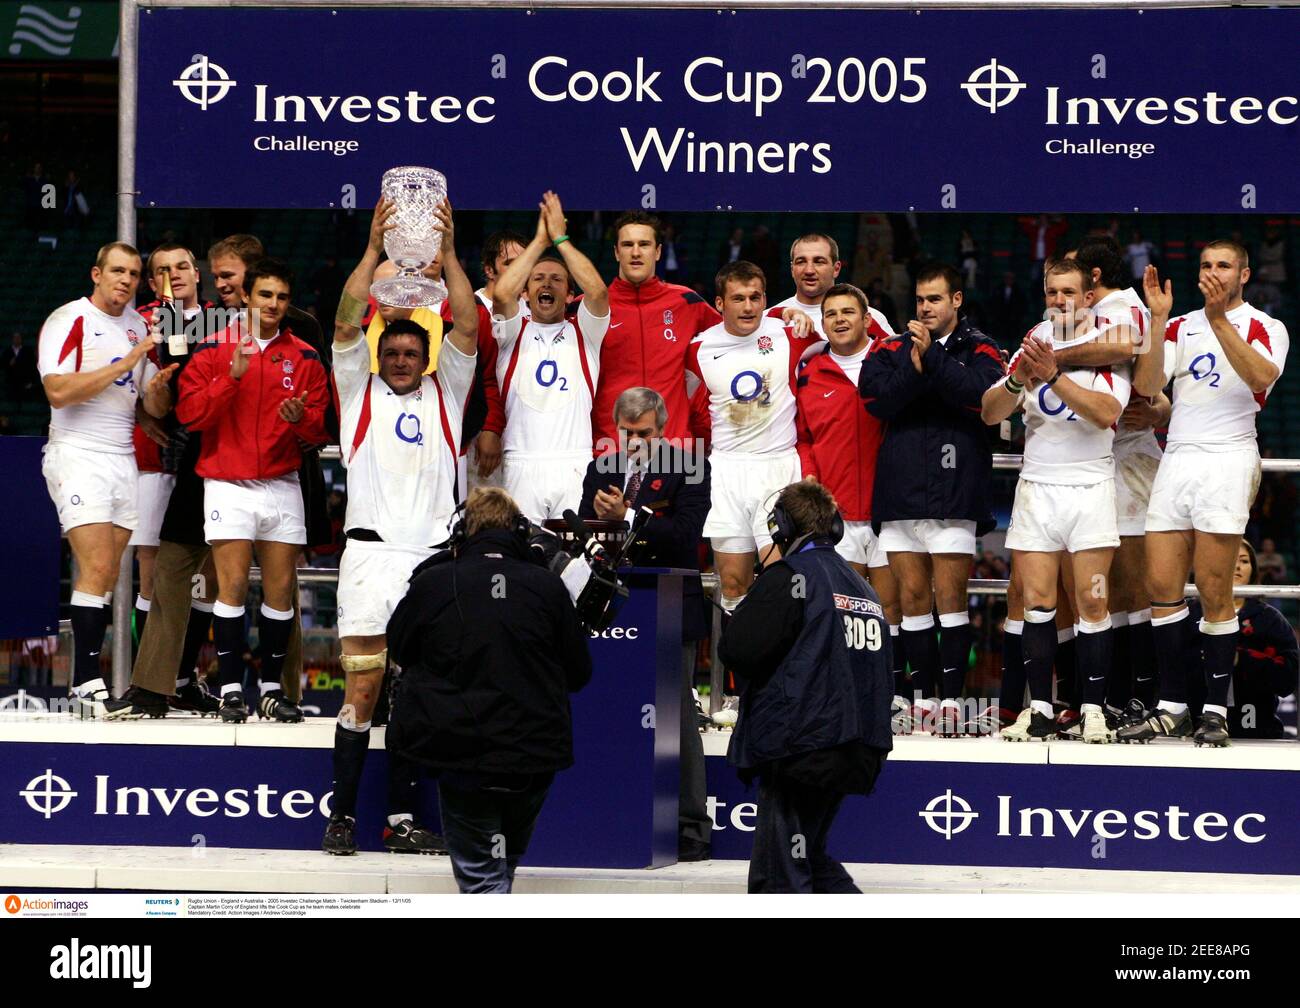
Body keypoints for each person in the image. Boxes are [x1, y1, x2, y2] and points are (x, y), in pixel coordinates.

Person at [321, 198, 479, 856]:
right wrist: (368, 251)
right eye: (395, 350)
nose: (405, 359)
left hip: (433, 563)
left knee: (421, 697)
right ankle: (346, 818)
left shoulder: (448, 394)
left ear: (428, 357)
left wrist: (446, 255)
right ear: (380, 355)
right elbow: (342, 320)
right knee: (362, 686)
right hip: (369, 558)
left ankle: (401, 822)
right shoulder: (357, 392)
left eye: (416, 351)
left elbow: (467, 322)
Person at [386, 487, 593, 893]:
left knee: (483, 878)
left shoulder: (432, 581)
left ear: (461, 532)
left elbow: (401, 650)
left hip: (461, 755)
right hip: (534, 755)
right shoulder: (548, 588)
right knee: (501, 869)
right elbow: (579, 673)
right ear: (520, 531)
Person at [1122, 244, 1289, 747]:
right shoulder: (1180, 325)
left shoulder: (1266, 326)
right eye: (1205, 266)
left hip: (1228, 457)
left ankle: (1214, 710)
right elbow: (1149, 386)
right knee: (1162, 588)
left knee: (1216, 590)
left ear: (1244, 272)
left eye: (1222, 266)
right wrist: (1156, 321)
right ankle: (1173, 706)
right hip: (1177, 458)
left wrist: (1219, 320)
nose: (1212, 274)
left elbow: (1263, 379)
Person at [981, 258, 1133, 743]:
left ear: (1088, 296)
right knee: (1037, 603)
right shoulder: (1034, 339)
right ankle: (1041, 708)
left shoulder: (1104, 347)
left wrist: (1052, 375)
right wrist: (1016, 380)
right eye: (1052, 292)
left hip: (1089, 487)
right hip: (1037, 489)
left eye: (1069, 292)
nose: (1060, 301)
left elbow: (1106, 412)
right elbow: (990, 414)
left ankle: (1092, 709)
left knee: (1092, 601)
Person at [176, 257, 331, 724]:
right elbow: (189, 416)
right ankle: (229, 690)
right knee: (234, 587)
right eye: (265, 295)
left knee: (281, 590)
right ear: (247, 295)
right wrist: (232, 378)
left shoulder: (304, 356)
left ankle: (269, 689)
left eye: (282, 298)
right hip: (226, 482)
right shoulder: (212, 347)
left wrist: (299, 420)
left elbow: (322, 430)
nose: (273, 304)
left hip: (282, 483)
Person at [719, 479, 893, 893]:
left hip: (802, 747)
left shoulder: (790, 576)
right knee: (809, 859)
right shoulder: (862, 586)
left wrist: (754, 599)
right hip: (854, 746)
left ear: (780, 528)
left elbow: (738, 651)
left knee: (780, 876)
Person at [858, 262, 1004, 735]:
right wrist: (916, 366)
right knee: (914, 600)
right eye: (921, 299)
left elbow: (983, 396)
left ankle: (953, 703)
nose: (926, 307)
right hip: (900, 492)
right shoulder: (890, 349)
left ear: (956, 300)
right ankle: (921, 704)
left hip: (955, 494)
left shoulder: (981, 347)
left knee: (950, 599)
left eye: (935, 299)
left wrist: (933, 362)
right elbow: (877, 400)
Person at [38, 242, 173, 717]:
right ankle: (86, 684)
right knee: (95, 569)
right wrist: (128, 358)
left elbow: (147, 406)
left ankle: (86, 687)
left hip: (122, 458)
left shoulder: (140, 325)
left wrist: (157, 390)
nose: (126, 280)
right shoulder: (69, 319)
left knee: (108, 576)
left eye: (134, 274)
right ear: (97, 273)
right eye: (117, 271)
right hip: (78, 453)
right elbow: (58, 391)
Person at [577, 387, 712, 861]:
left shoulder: (691, 467)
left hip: (669, 601)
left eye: (645, 433)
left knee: (675, 717)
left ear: (664, 428)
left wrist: (630, 515)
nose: (635, 442)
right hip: (610, 606)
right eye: (628, 433)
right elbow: (583, 535)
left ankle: (691, 826)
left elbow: (684, 538)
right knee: (608, 703)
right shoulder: (601, 468)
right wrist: (593, 524)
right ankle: (608, 808)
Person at [794, 283, 904, 726]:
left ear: (866, 319)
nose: (840, 320)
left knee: (890, 610)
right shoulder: (810, 372)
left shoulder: (889, 361)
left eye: (848, 312)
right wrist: (810, 481)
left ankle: (892, 696)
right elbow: (802, 437)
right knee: (844, 615)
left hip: (888, 511)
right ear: (823, 324)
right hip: (835, 519)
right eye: (831, 314)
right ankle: (843, 696)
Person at [684, 260, 822, 613]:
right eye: (738, 298)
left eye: (755, 298)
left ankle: (788, 668)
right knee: (732, 584)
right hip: (727, 472)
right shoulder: (697, 349)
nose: (748, 307)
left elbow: (841, 347)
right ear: (719, 304)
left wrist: (801, 317)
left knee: (782, 579)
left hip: (777, 468)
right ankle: (741, 667)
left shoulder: (790, 332)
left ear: (765, 300)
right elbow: (684, 406)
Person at [490, 191, 609, 522]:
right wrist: (540, 242)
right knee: (523, 560)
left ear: (570, 294)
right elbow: (501, 293)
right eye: (538, 279)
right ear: (525, 294)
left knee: (572, 563)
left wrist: (560, 239)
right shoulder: (511, 334)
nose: (548, 284)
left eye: (557, 280)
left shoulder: (585, 333)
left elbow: (598, 292)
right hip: (521, 461)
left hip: (574, 462)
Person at [592, 211, 722, 453]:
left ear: (658, 251)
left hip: (673, 449)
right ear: (616, 252)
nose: (636, 252)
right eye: (627, 244)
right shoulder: (589, 308)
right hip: (610, 449)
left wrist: (783, 316)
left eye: (644, 244)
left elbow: (738, 333)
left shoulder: (686, 302)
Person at [1185, 541, 1298, 739]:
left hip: (1258, 733)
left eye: (1244, 561)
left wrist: (1240, 659)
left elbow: (1288, 680)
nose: (1236, 565)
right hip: (1191, 733)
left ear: (1253, 570)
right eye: (1229, 559)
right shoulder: (1188, 615)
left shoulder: (1269, 619)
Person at [768, 233, 894, 340]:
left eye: (819, 261)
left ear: (836, 269)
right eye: (801, 262)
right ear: (792, 270)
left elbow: (896, 362)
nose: (809, 270)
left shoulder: (869, 318)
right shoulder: (769, 319)